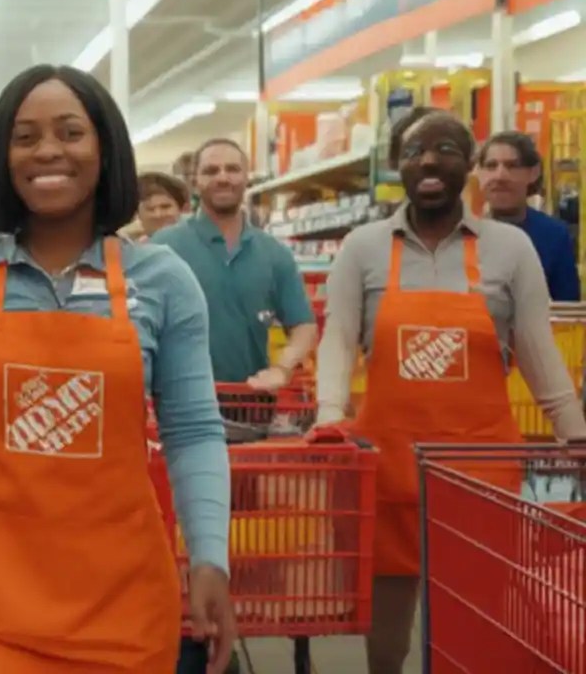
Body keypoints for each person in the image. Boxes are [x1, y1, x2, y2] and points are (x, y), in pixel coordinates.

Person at [0, 64, 235, 674]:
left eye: (70, 132)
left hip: (122, 601)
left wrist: (212, 556)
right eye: (24, 137)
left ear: (105, 149)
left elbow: (192, 432)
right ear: (2, 158)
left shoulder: (161, 282)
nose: (48, 150)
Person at [314, 107, 586, 674]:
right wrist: (330, 414)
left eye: (446, 149)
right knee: (387, 620)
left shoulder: (511, 250)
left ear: (469, 165)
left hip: (480, 464)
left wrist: (576, 433)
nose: (430, 161)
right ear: (397, 166)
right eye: (415, 151)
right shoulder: (362, 247)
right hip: (388, 459)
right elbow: (338, 340)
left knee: (477, 613)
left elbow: (538, 352)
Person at [151, 138, 318, 391]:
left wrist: (281, 369)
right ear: (194, 182)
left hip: (251, 404)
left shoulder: (274, 254)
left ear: (246, 178)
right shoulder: (164, 248)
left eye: (232, 169)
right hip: (177, 407)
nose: (222, 178)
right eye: (211, 171)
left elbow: (303, 324)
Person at [475, 130, 580, 301]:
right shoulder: (462, 233)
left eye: (512, 166)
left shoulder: (554, 236)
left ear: (533, 173)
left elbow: (565, 310)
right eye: (491, 166)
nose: (500, 176)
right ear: (479, 173)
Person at [136, 171, 190, 237]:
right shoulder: (130, 246)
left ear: (184, 209)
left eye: (165, 207)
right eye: (150, 209)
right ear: (138, 215)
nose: (158, 215)